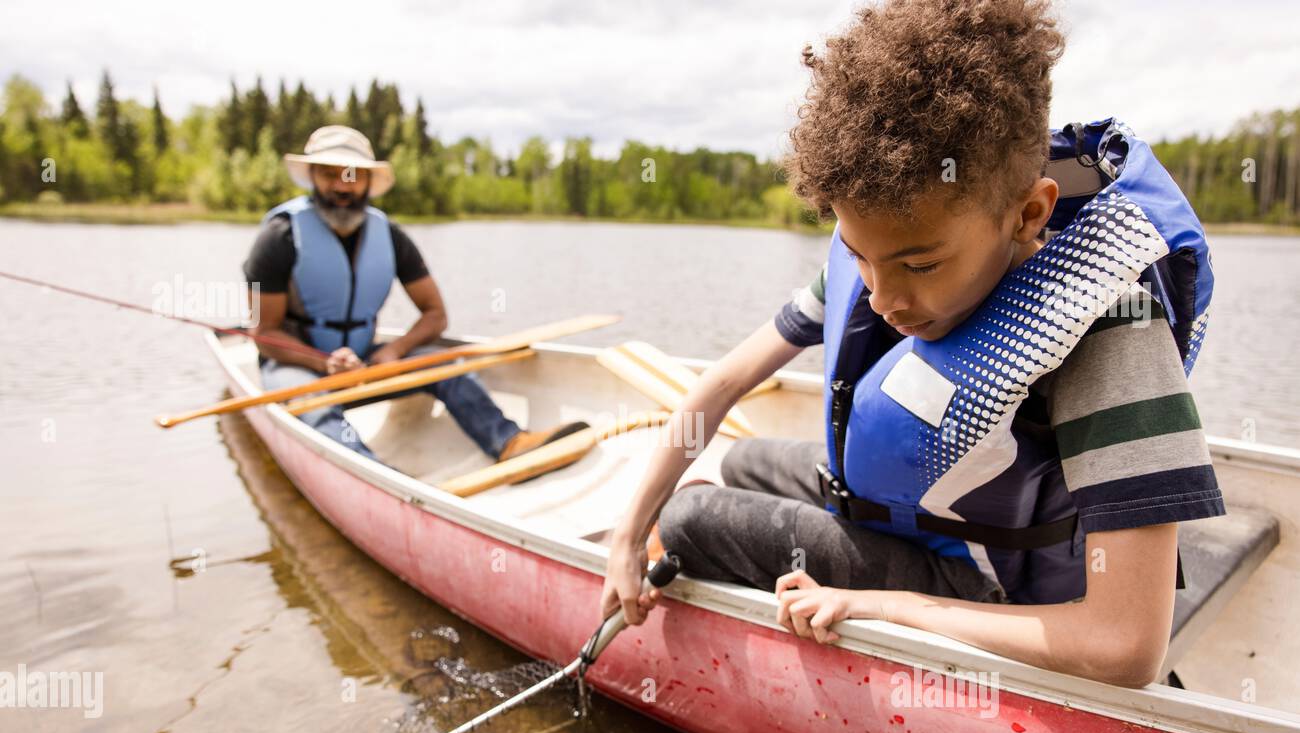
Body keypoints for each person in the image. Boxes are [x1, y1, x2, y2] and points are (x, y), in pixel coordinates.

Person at [599, 0, 1224, 689]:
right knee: (740, 458)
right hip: (909, 510)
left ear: (1029, 213)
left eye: (920, 266)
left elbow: (1125, 646)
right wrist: (625, 536)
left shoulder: (1112, 326)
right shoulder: (887, 252)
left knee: (691, 515)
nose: (881, 299)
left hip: (992, 585)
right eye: (860, 257)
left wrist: (885, 608)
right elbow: (722, 384)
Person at [243, 125, 586, 465]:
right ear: (312, 177)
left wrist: (395, 350)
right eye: (329, 174)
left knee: (447, 366)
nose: (342, 186)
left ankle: (509, 442)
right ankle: (374, 474)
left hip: (366, 359)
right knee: (313, 408)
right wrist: (323, 362)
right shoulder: (279, 237)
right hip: (298, 365)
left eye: (352, 175)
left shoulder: (390, 236)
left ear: (368, 180)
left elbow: (435, 314)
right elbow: (264, 333)